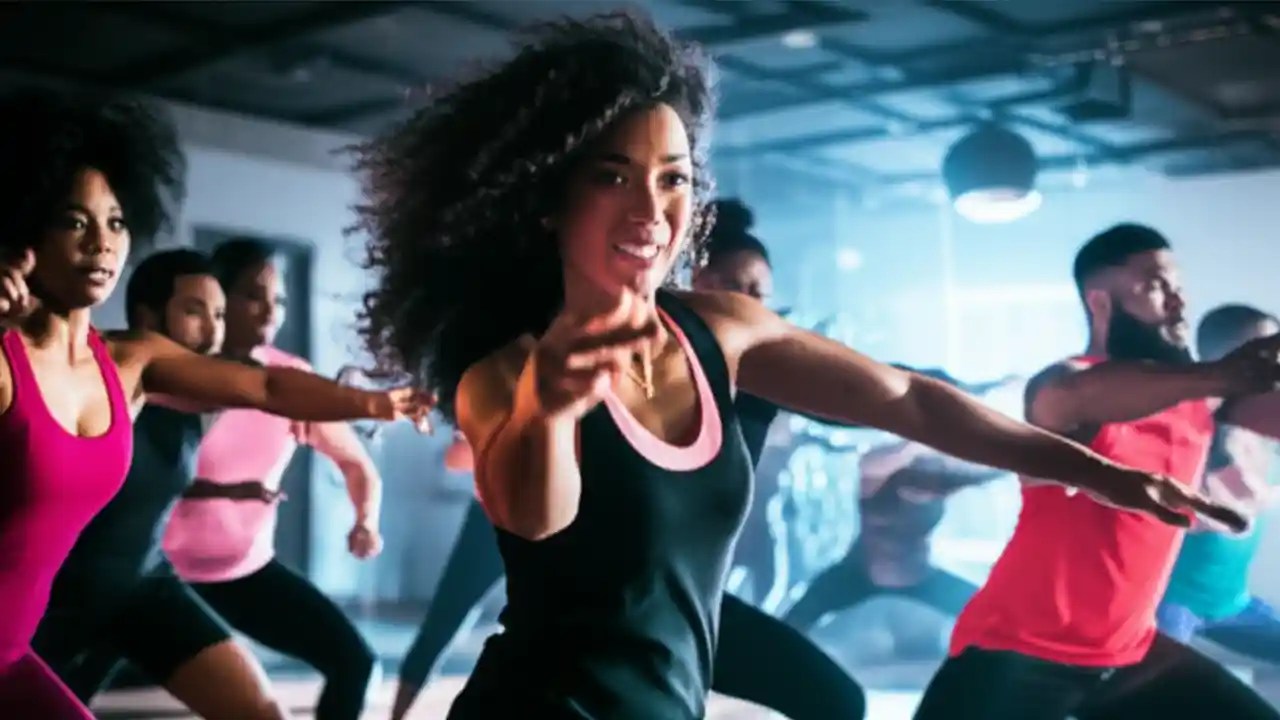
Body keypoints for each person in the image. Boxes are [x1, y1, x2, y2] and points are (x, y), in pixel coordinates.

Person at [351, 14, 1239, 718]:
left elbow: (909, 401)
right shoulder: (504, 367)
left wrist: (1095, 472)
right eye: (613, 176)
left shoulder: (721, 332)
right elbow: (534, 518)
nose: (652, 207)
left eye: (673, 178)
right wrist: (548, 408)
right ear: (548, 196)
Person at [0, 90, 428, 719]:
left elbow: (266, 386)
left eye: (116, 223)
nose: (101, 244)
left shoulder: (130, 361)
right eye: (73, 221)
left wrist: (372, 402)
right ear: (24, 230)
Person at [388, 198, 868, 720]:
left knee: (838, 698)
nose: (753, 304)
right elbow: (483, 437)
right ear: (697, 280)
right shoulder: (613, 355)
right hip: (553, 565)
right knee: (446, 616)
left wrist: (944, 402)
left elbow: (873, 394)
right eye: (739, 286)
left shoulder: (760, 373)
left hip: (670, 603)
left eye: (762, 294)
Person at [914, 225, 1280, 720]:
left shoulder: (1193, 394)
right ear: (1100, 301)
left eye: (1178, 286)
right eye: (1154, 285)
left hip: (1129, 654)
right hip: (1019, 650)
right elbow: (1070, 396)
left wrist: (1234, 378)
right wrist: (1218, 375)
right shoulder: (1069, 381)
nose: (1176, 302)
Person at [33, 248, 386, 720]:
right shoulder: (107, 371)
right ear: (148, 316)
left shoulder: (214, 386)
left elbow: (269, 387)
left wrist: (371, 403)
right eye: (195, 311)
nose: (214, 328)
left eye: (217, 313)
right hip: (64, 597)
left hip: (150, 587)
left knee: (275, 705)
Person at [155, 239, 386, 720]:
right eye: (253, 295)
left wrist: (366, 521)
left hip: (245, 573)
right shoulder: (169, 368)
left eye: (278, 300)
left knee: (355, 663)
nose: (269, 311)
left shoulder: (291, 380)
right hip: (156, 577)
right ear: (218, 295)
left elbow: (357, 464)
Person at [783, 379, 1012, 637]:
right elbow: (868, 466)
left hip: (911, 575)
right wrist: (925, 440)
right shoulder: (884, 475)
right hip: (868, 573)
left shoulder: (939, 481)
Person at [1158, 304, 1280, 663]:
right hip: (1172, 605)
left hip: (1230, 603)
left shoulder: (1262, 423)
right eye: (1266, 352)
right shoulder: (1197, 424)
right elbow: (1235, 511)